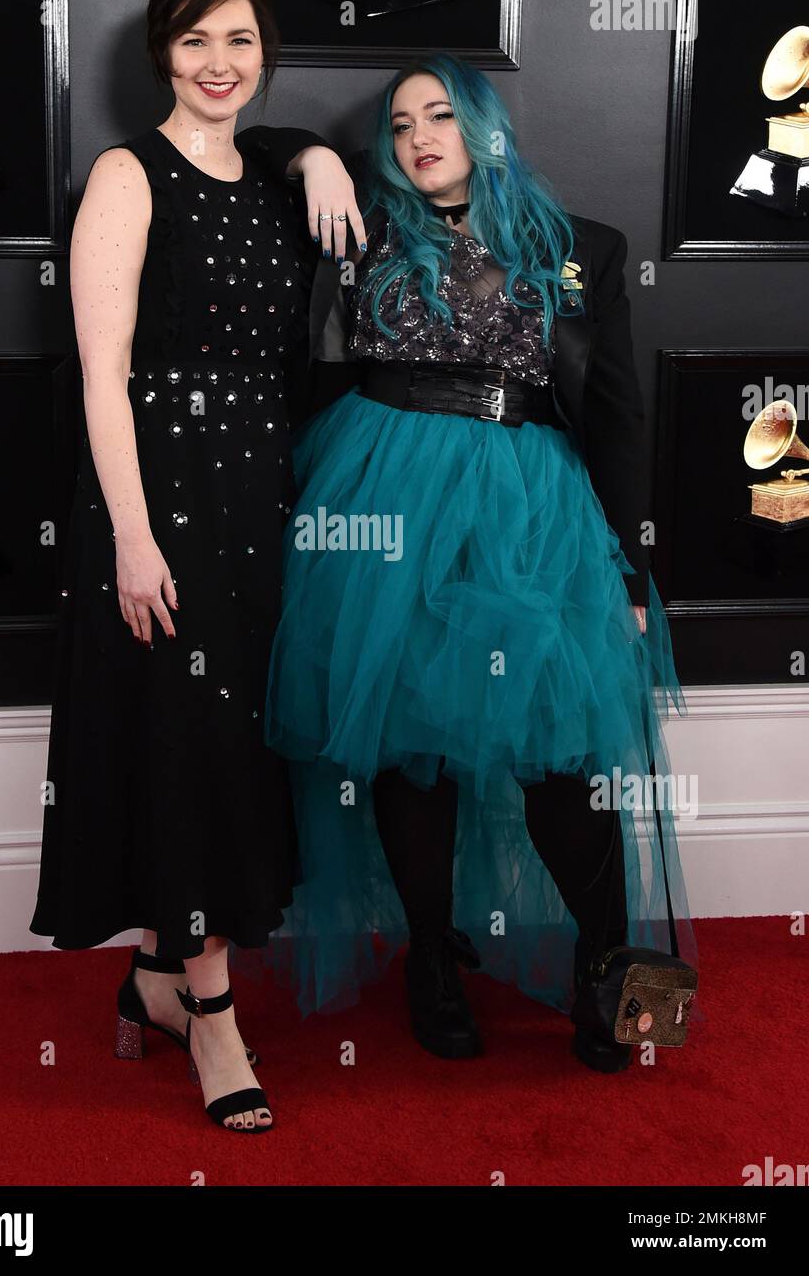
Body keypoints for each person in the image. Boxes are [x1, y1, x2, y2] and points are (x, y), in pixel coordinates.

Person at [253, 52, 699, 1073]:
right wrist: (316, 157)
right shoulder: (355, 233)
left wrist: (631, 573)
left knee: (560, 757)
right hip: (381, 511)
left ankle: (604, 966)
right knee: (409, 744)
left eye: (440, 116)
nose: (418, 137)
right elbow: (244, 141)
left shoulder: (582, 246)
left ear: (484, 127)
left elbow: (621, 421)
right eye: (400, 123)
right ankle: (431, 959)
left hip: (532, 516)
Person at [29, 0, 363, 1132]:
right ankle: (212, 1010)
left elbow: (324, 168)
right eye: (194, 43)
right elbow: (102, 374)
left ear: (264, 56)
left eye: (240, 43)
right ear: (161, 55)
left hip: (257, 500)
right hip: (157, 493)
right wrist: (130, 533)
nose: (218, 65)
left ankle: (159, 979)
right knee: (183, 737)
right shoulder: (127, 175)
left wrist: (317, 149)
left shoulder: (280, 180)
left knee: (231, 742)